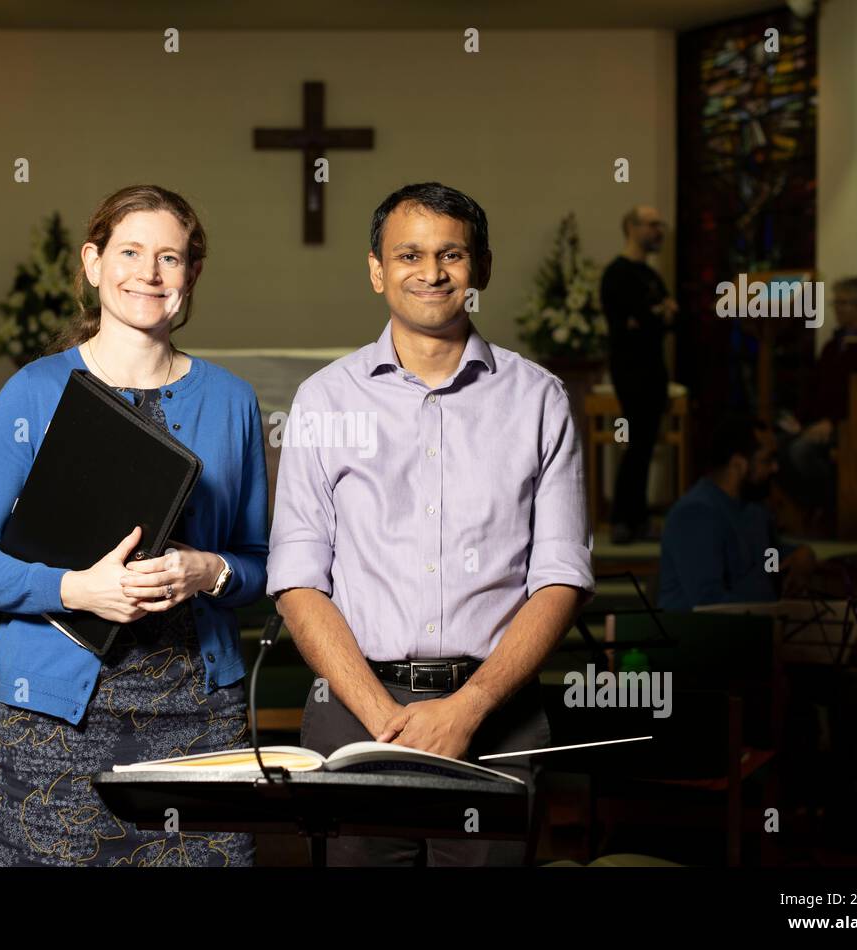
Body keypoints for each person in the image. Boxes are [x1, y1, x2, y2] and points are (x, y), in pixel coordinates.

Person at [0, 185, 268, 866]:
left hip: (201, 726)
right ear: (93, 262)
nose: (149, 273)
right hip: (56, 723)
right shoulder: (34, 391)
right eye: (131, 252)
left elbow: (262, 563)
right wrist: (75, 589)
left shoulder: (233, 399)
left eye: (169, 257)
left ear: (191, 274)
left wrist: (210, 570)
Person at [267, 182, 594, 866]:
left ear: (482, 268)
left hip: (497, 718)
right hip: (355, 717)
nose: (431, 272)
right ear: (377, 269)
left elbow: (561, 575)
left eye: (452, 254)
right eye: (409, 254)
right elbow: (297, 578)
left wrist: (469, 707)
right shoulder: (325, 399)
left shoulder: (538, 399)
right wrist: (381, 716)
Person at [658, 415, 815, 610]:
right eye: (768, 460)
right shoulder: (695, 514)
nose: (775, 468)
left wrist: (802, 554)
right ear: (739, 465)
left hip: (756, 630)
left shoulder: (754, 509)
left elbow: (770, 558)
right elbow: (709, 603)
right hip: (705, 636)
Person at [599, 206, 677, 544]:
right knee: (637, 442)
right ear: (631, 227)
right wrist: (655, 316)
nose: (658, 230)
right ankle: (624, 518)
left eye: (660, 224)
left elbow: (669, 318)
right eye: (652, 224)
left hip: (654, 367)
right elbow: (627, 324)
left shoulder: (651, 275)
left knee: (645, 444)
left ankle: (636, 517)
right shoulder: (618, 273)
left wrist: (653, 317)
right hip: (630, 369)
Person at [778, 276, 857, 519]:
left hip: (849, 425)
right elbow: (814, 389)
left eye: (844, 302)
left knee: (801, 452)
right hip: (820, 423)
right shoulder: (830, 346)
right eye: (836, 302)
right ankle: (809, 509)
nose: (837, 308)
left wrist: (833, 423)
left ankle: (831, 507)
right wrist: (801, 421)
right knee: (778, 447)